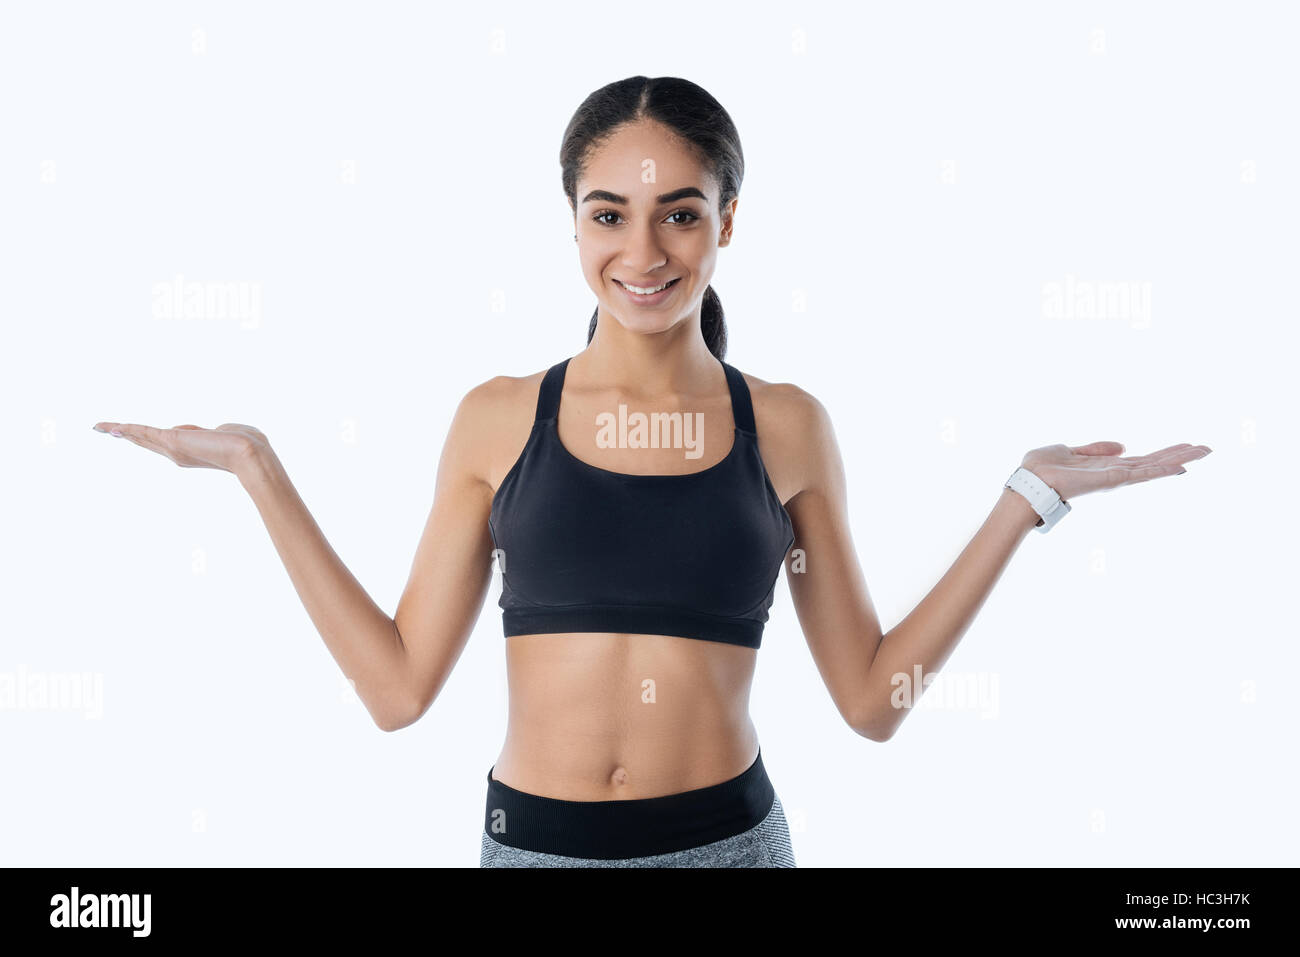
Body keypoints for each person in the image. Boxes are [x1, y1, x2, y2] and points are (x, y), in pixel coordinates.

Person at [93, 76, 1211, 867]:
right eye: (608, 215)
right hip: (536, 851)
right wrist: (255, 468)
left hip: (729, 848)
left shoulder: (784, 425)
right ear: (572, 224)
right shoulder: (496, 418)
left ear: (727, 220)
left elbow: (872, 703)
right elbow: (395, 692)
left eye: (680, 214)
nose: (643, 254)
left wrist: (1027, 500)